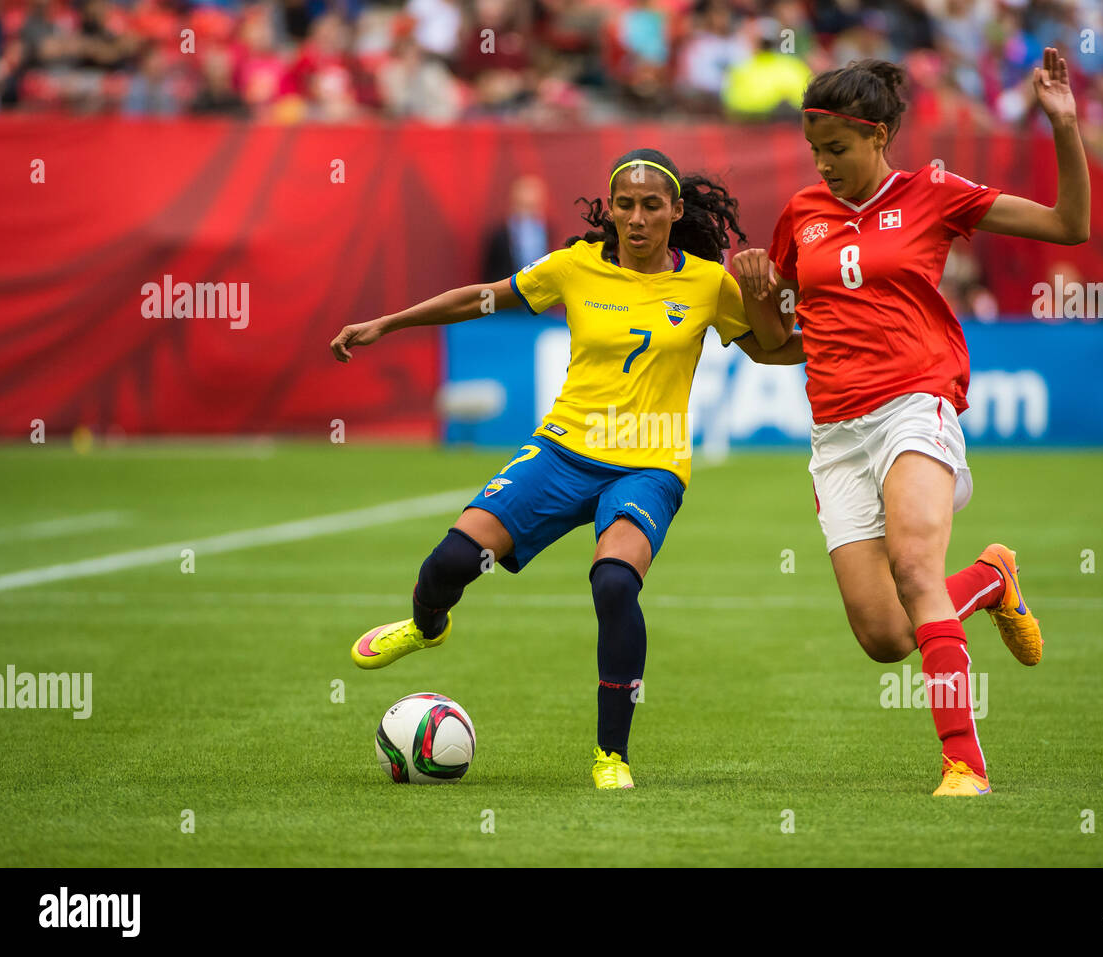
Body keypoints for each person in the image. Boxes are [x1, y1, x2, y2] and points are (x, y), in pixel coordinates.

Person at [330, 148, 803, 790]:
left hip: (649, 467)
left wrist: (762, 294)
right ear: (610, 209)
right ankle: (425, 626)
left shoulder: (706, 284)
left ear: (676, 212)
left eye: (651, 206)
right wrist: (390, 323)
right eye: (625, 205)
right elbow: (486, 298)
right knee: (448, 564)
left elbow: (777, 352)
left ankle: (612, 755)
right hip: (561, 452)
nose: (636, 218)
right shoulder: (573, 268)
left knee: (614, 586)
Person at [733, 49, 1091, 796]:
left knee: (916, 568)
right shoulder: (801, 217)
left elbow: (1070, 225)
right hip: (836, 430)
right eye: (814, 151)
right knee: (885, 636)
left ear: (880, 134)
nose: (823, 165)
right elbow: (773, 351)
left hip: (915, 402)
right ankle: (992, 580)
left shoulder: (933, 192)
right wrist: (759, 293)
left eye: (837, 149)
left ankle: (964, 763)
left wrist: (1063, 127)